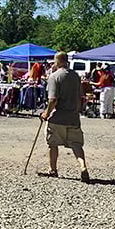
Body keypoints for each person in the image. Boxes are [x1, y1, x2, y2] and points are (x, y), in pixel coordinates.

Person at [41, 51, 90, 183]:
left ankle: (53, 170)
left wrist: (46, 113)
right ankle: (83, 166)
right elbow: (81, 97)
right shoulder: (75, 76)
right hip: (73, 117)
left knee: (53, 143)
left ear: (57, 62)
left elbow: (53, 99)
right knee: (77, 144)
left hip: (58, 117)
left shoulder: (54, 76)